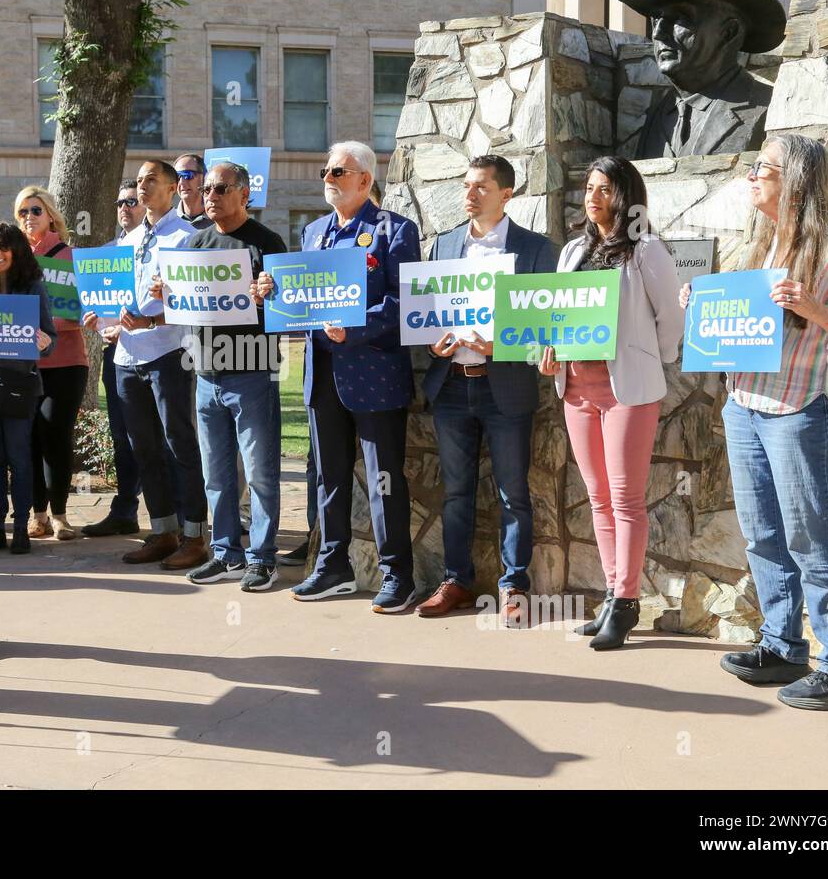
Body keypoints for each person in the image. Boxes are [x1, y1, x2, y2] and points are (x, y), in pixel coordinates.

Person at [682, 136, 828, 710]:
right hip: (746, 404)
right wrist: (701, 307)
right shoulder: (760, 246)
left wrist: (812, 308)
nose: (751, 175)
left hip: (805, 411)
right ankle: (783, 646)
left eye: (762, 167)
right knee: (764, 535)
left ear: (794, 181)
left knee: (814, 536)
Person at [267, 141, 421, 612]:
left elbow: (403, 301)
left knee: (383, 479)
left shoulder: (394, 231)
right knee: (328, 477)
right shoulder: (313, 233)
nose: (328, 178)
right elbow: (301, 299)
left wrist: (355, 327)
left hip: (374, 375)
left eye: (338, 171)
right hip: (321, 374)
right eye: (325, 171)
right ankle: (334, 566)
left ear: (365, 181)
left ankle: (398, 574)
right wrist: (271, 291)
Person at [538, 156, 684, 650]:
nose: (593, 198)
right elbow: (557, 317)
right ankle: (610, 592)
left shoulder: (646, 250)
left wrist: (651, 358)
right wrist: (550, 354)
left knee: (625, 498)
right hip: (575, 388)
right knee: (598, 497)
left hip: (628, 390)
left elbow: (670, 319)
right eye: (589, 189)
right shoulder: (574, 251)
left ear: (626, 197)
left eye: (604, 190)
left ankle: (626, 602)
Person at [418, 156, 558, 625]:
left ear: (507, 194)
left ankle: (513, 586)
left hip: (507, 388)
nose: (470, 194)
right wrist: (433, 342)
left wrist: (504, 345)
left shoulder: (536, 250)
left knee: (512, 493)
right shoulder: (443, 246)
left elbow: (547, 325)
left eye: (481, 186)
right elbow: (427, 312)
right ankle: (457, 581)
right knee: (456, 493)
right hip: (452, 386)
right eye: (466, 186)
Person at [156, 162, 286, 591]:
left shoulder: (268, 243)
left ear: (244, 194)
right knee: (216, 473)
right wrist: (166, 293)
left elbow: (287, 312)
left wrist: (268, 296)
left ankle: (262, 558)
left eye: (220, 188)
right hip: (206, 374)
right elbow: (182, 307)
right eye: (205, 188)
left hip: (252, 370)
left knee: (260, 473)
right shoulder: (194, 243)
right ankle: (226, 552)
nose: (209, 195)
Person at [99, 159, 208, 568]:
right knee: (142, 447)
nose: (142, 187)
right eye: (139, 180)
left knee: (179, 443)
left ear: (172, 188)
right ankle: (163, 531)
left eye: (151, 180)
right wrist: (102, 320)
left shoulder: (188, 238)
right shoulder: (127, 241)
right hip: (127, 355)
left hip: (169, 353)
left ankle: (195, 535)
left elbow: (196, 304)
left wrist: (153, 317)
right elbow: (111, 301)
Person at [619, 0, 786, 159]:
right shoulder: (656, 117)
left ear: (728, 33)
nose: (657, 33)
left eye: (680, 18)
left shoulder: (768, 108)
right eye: (656, 20)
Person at [0, 222, 56, 555]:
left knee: (20, 460)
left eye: (4, 247)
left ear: (16, 252)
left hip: (20, 385)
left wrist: (44, 341)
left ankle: (21, 527)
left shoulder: (33, 288)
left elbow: (49, 340)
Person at [15, 186, 89, 542]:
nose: (29, 217)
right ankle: (37, 515)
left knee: (56, 437)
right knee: (28, 440)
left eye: (35, 210)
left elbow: (86, 309)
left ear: (50, 215)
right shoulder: (13, 260)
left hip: (66, 362)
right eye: (22, 212)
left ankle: (60, 516)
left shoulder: (70, 257)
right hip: (24, 364)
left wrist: (52, 326)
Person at [82, 180, 146, 537]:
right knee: (123, 436)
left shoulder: (157, 248)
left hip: (158, 355)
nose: (125, 207)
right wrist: (94, 322)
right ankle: (125, 510)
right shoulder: (105, 254)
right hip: (117, 357)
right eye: (120, 201)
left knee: (159, 437)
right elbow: (96, 310)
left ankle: (179, 518)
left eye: (132, 201)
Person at [173, 153, 214, 229]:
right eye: (177, 177)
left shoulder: (219, 221)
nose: (181, 182)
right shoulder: (168, 222)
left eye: (188, 175)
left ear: (204, 178)